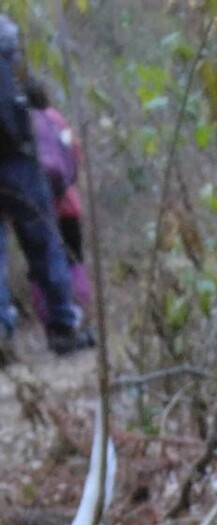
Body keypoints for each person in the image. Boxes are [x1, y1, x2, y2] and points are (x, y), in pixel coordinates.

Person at [0, 14, 92, 356]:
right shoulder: (7, 35)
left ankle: (2, 332)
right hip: (19, 157)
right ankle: (62, 326)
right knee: (43, 242)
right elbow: (35, 97)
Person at [26, 79, 91, 325]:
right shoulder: (56, 119)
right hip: (67, 203)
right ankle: (83, 311)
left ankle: (53, 320)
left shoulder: (20, 123)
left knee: (40, 265)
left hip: (34, 208)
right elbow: (75, 153)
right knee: (74, 258)